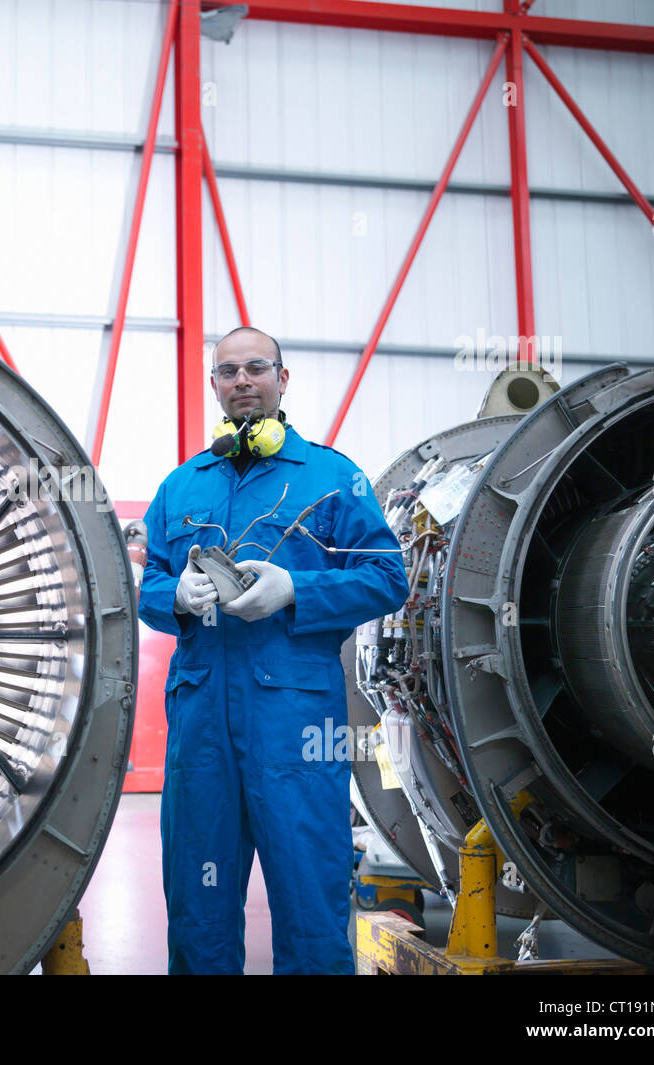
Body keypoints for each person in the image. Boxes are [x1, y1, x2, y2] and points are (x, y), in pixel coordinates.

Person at [138, 326, 409, 974]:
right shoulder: (182, 486)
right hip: (201, 729)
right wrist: (176, 593)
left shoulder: (333, 476)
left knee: (310, 904)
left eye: (256, 368)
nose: (241, 381)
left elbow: (388, 577)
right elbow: (145, 588)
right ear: (214, 385)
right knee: (198, 910)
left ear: (281, 380)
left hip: (295, 730)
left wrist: (297, 589)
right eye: (227, 371)